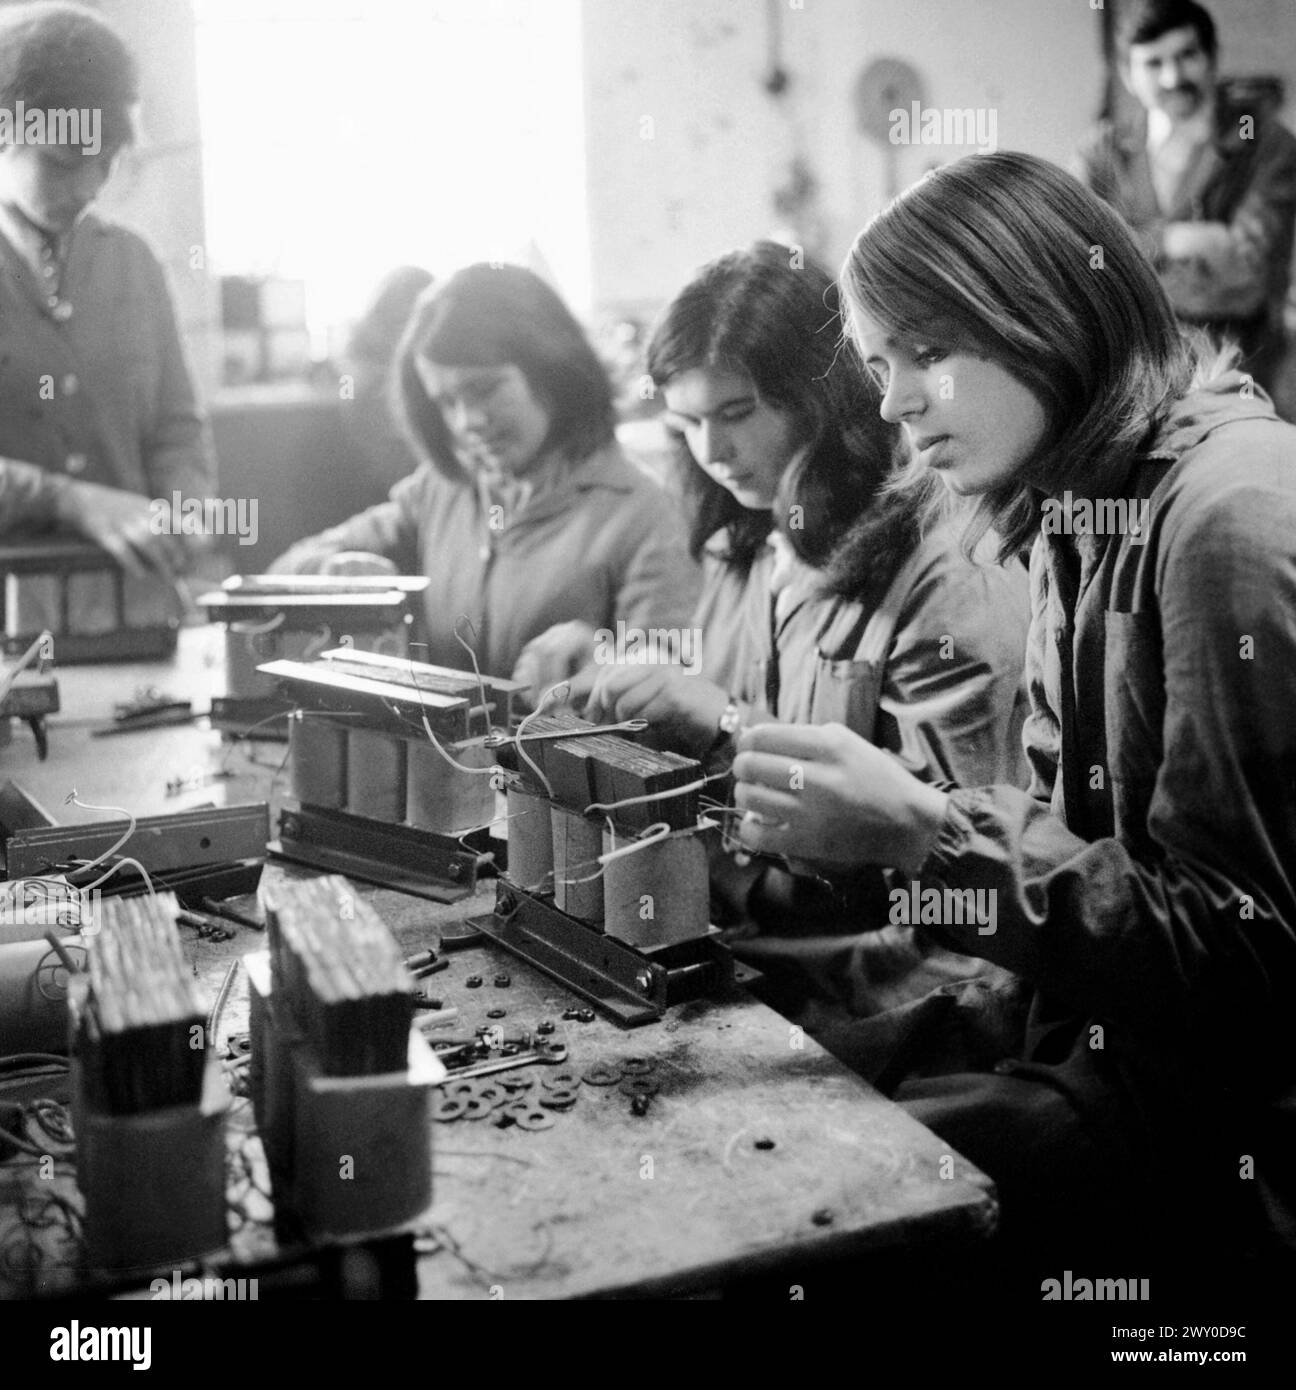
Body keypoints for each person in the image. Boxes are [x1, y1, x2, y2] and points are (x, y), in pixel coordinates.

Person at [731, 151, 1296, 1283]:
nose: (892, 402)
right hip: (1096, 1048)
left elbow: (1252, 968)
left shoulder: (1226, 519)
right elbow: (1075, 872)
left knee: (790, 1221)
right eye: (882, 362)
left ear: (1045, 314)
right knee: (757, 1092)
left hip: (1229, 1138)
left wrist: (930, 832)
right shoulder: (1077, 505)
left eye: (928, 353)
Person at [576, 242, 1030, 1008]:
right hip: (766, 953)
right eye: (685, 423)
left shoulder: (946, 572)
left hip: (897, 990)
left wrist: (725, 726)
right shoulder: (746, 542)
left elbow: (947, 868)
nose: (712, 451)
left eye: (736, 413)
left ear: (819, 395)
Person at [271, 263, 700, 689]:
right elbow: (284, 570)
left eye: (485, 390)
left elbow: (674, 676)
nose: (467, 422)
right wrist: (332, 569)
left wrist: (603, 657)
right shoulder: (443, 491)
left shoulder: (643, 516)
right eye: (446, 402)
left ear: (552, 371)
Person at [0, 2, 215, 612]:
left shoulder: (135, 265)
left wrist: (185, 507)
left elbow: (177, 426)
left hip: (138, 612)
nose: (89, 188)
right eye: (63, 164)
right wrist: (70, 500)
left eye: (105, 163)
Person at [1074, 0, 1296, 396]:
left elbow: (1245, 276)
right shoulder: (1102, 153)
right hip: (1130, 375)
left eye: (1187, 55)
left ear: (1213, 59)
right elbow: (1081, 263)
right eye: (1154, 63)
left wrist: (1130, 259)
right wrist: (1177, 239)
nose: (1174, 76)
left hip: (1242, 375)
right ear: (1128, 75)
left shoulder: (1263, 141)